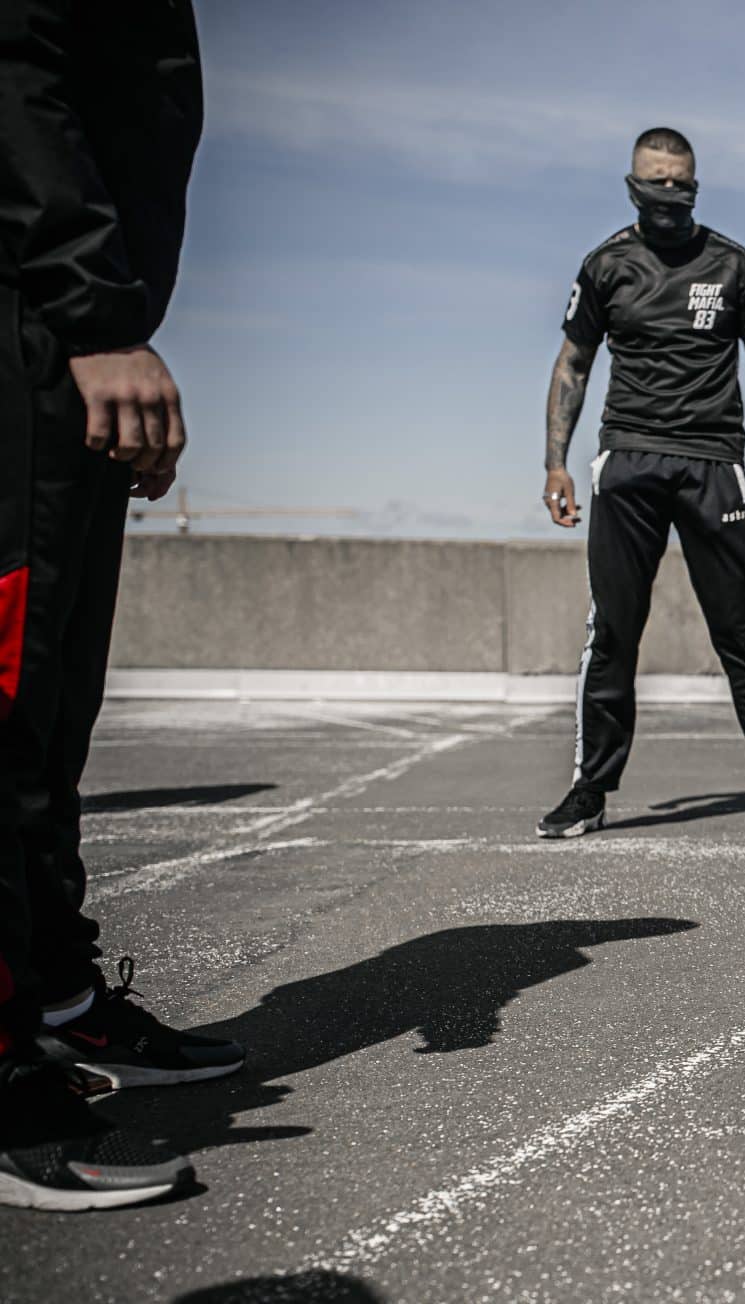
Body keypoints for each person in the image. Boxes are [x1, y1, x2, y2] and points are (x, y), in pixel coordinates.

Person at [1, 0, 244, 1211]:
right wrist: (90, 307)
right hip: (36, 313)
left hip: (63, 330)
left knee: (49, 716)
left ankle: (55, 999)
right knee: (5, 704)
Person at [536, 127, 745, 842]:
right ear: (632, 185)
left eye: (679, 182)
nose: (668, 193)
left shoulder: (733, 265)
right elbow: (573, 364)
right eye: (654, 181)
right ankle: (590, 791)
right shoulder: (606, 266)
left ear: (695, 185)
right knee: (613, 632)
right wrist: (555, 463)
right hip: (628, 459)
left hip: (712, 463)